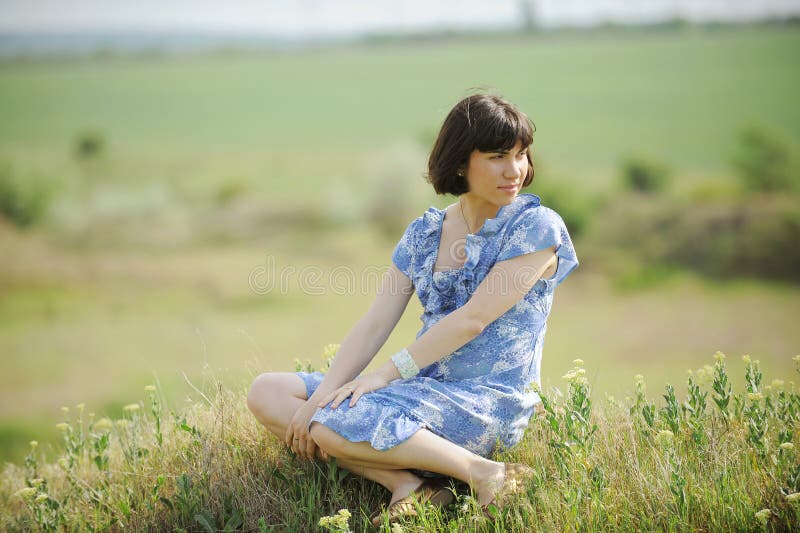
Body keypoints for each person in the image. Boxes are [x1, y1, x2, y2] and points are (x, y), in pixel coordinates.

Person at [247, 92, 579, 525]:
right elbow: (375, 322)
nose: (515, 169)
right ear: (461, 162)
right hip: (422, 390)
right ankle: (409, 484)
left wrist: (383, 376)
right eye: (498, 156)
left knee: (326, 423)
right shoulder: (425, 233)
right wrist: (325, 392)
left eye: (520, 154)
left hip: (487, 401)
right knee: (268, 392)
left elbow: (472, 320)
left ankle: (487, 472)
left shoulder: (535, 227)